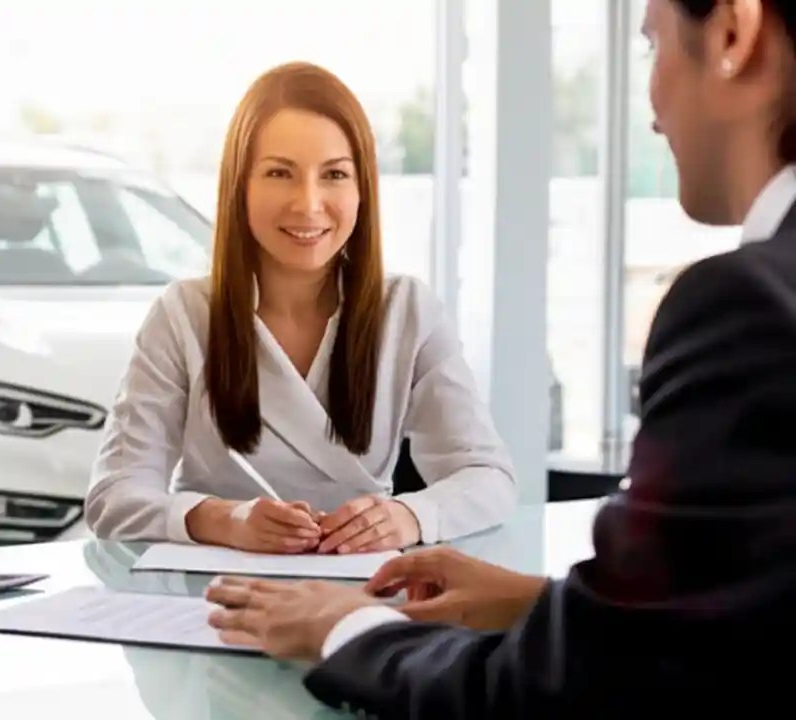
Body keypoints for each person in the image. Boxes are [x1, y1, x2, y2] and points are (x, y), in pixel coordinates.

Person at [205, 0, 796, 716]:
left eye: (650, 47)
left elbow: (558, 691)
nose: (652, 111)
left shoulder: (748, 306)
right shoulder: (186, 313)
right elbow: (749, 613)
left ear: (734, 31)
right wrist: (542, 603)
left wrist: (348, 630)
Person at [84, 62, 516, 555]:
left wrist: (408, 516)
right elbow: (113, 497)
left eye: (333, 175)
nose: (308, 204)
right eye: (279, 173)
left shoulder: (409, 310)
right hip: (211, 594)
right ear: (239, 185)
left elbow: (488, 478)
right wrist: (223, 520)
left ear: (362, 190)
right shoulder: (183, 314)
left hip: (363, 586)